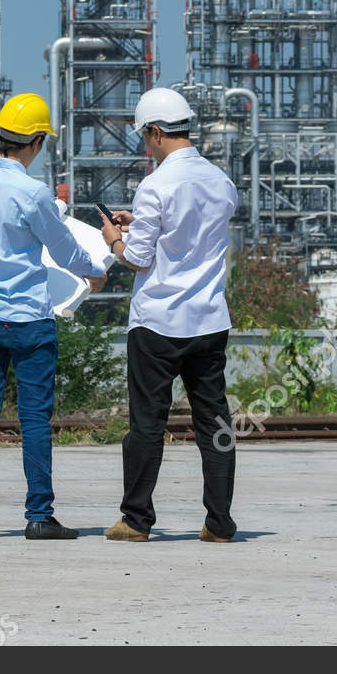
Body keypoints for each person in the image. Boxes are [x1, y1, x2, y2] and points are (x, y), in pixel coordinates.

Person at [0, 94, 112, 540]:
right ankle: (39, 517)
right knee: (35, 419)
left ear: (0, 134)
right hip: (28, 320)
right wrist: (95, 271)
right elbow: (64, 249)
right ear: (37, 142)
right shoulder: (33, 192)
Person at [97, 87, 240, 544]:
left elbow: (138, 259)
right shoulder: (222, 182)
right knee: (215, 424)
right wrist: (141, 222)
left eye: (145, 136)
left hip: (157, 323)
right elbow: (192, 233)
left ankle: (136, 521)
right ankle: (219, 523)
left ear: (156, 132)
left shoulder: (155, 185)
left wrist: (114, 239)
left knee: (147, 425)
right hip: (209, 320)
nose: (146, 145)